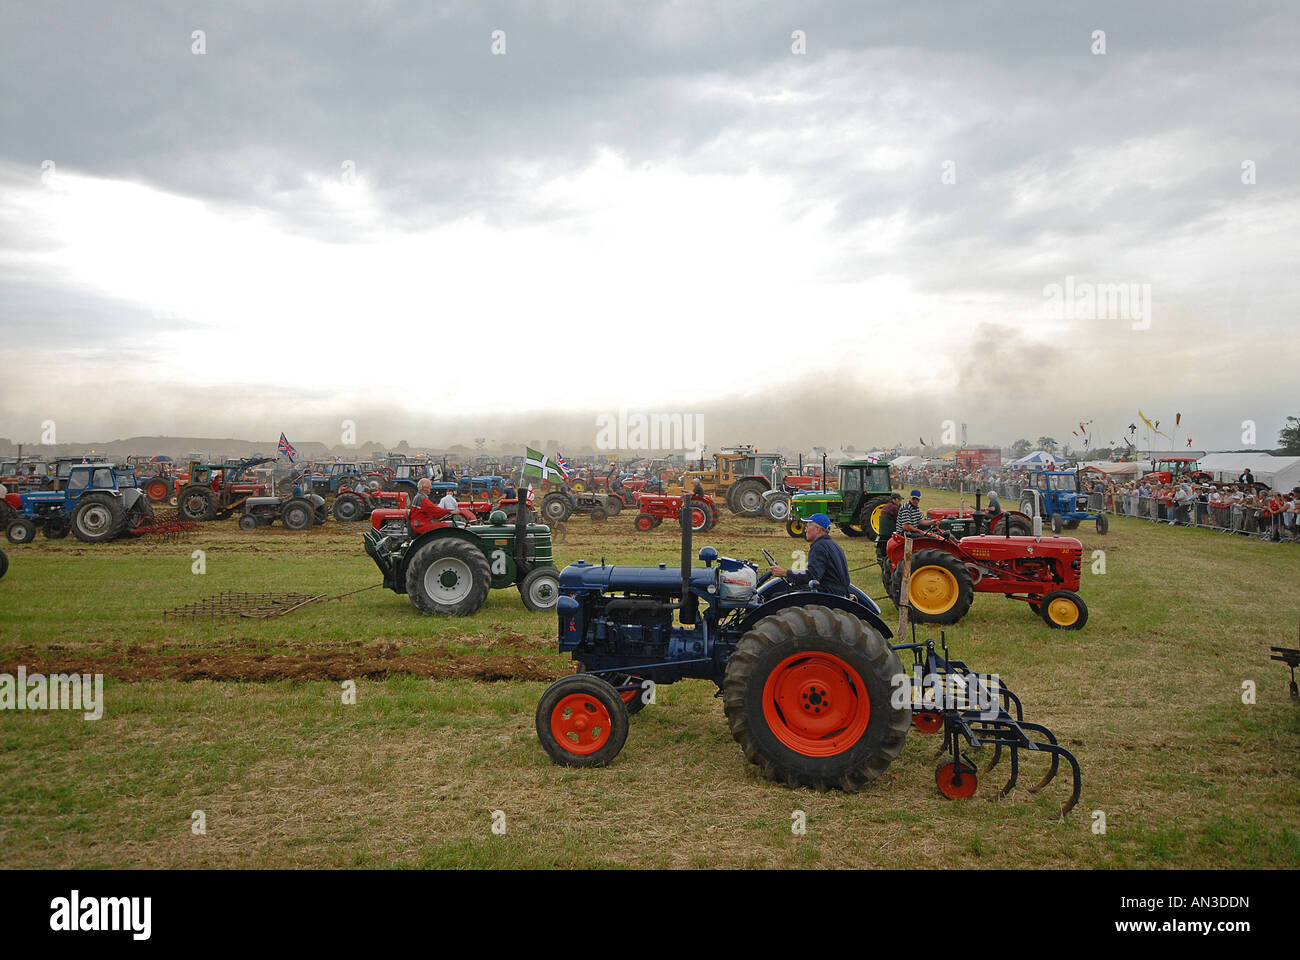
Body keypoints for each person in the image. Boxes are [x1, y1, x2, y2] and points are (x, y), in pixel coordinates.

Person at [768, 513, 851, 596]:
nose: (805, 530)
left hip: (828, 593)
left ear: (817, 529)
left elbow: (812, 576)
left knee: (776, 597)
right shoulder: (833, 545)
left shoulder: (819, 546)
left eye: (807, 526)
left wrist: (785, 573)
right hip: (835, 591)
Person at [876, 493, 902, 562]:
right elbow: (900, 519)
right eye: (899, 500)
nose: (899, 502)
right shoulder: (894, 508)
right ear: (894, 499)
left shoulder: (886, 506)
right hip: (890, 531)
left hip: (884, 532)